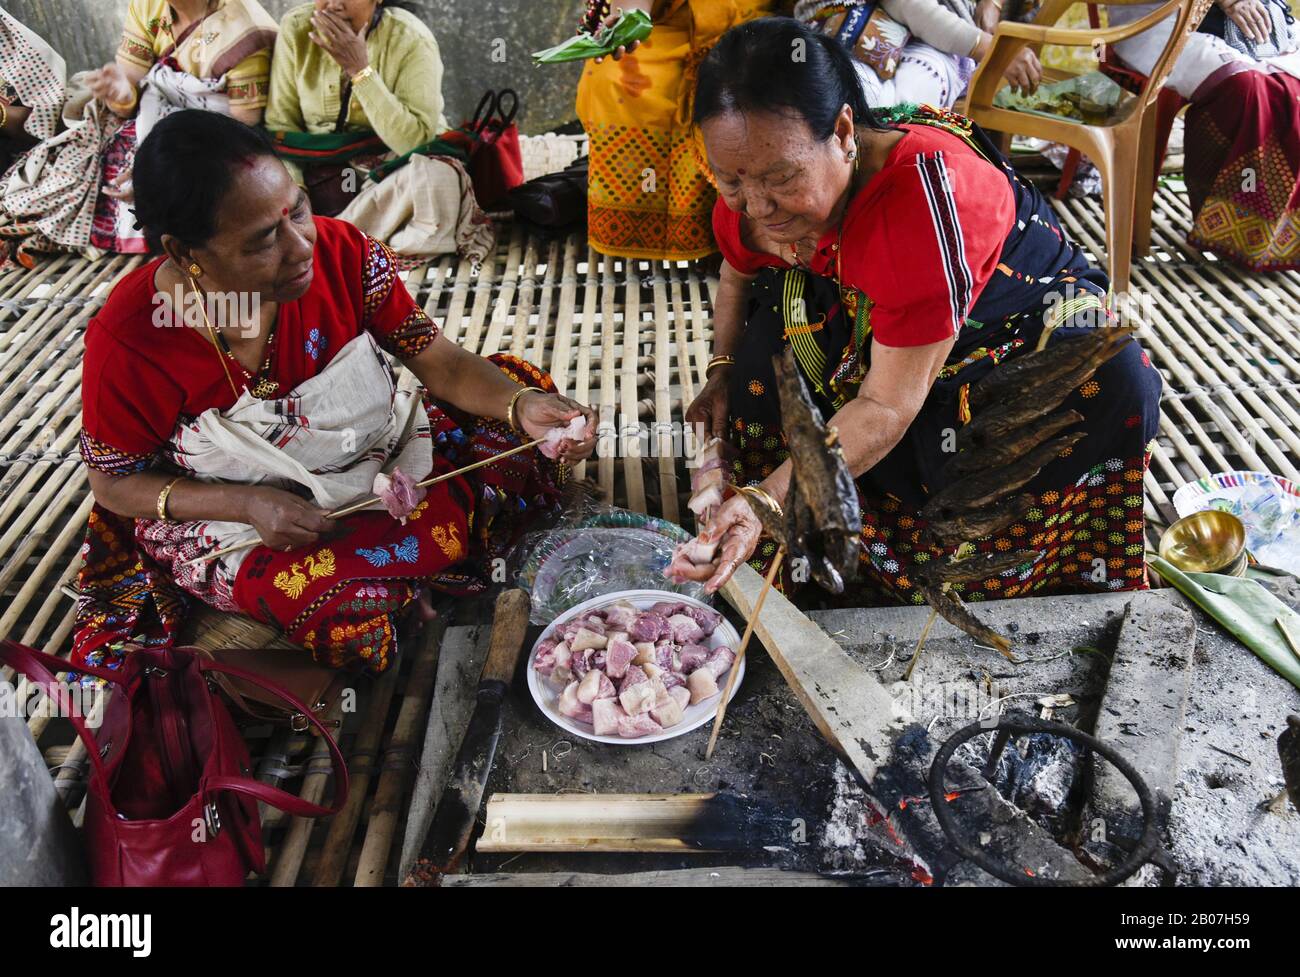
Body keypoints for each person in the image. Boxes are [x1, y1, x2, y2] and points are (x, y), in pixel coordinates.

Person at [73, 110, 597, 677]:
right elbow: (114, 482)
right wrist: (247, 503)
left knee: (522, 392)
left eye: (296, 210)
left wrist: (521, 407)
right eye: (262, 242)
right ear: (184, 253)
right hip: (248, 519)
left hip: (376, 459)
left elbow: (440, 361)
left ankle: (406, 567)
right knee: (350, 623)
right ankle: (420, 561)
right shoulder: (133, 339)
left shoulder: (344, 252)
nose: (301, 246)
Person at [679, 18, 1162, 604]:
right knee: (767, 358)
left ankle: (957, 574)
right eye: (730, 180)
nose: (757, 206)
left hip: (1006, 318)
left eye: (781, 179)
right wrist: (722, 372)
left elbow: (885, 406)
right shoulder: (756, 179)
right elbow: (736, 270)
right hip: (879, 302)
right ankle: (791, 543)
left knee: (1099, 384)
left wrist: (766, 499)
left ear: (843, 132)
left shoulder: (925, 207)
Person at [264, 0, 489, 262]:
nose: (334, 4)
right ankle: (348, 241)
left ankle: (329, 245)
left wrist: (360, 71)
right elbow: (281, 129)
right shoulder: (297, 28)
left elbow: (415, 141)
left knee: (438, 177)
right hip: (322, 172)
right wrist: (297, 198)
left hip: (394, 172)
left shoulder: (411, 38)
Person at [576, 0, 779, 262]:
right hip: (664, 29)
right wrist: (628, 20)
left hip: (753, 27)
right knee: (611, 78)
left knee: (755, 88)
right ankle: (637, 231)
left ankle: (738, 238)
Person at [1110, 0, 1300, 271]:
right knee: (1246, 89)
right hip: (1161, 21)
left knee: (1288, 89)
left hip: (1250, 21)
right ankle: (1231, 231)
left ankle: (1282, 238)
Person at [83, 0, 279, 253]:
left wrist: (159, 166)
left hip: (216, 144)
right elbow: (130, 83)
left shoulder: (244, 32)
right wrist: (121, 94)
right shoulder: (148, 6)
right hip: (159, 120)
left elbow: (242, 130)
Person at [795, 0, 1042, 109]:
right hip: (853, 28)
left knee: (895, 105)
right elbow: (910, 6)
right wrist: (994, 51)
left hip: (943, 47)